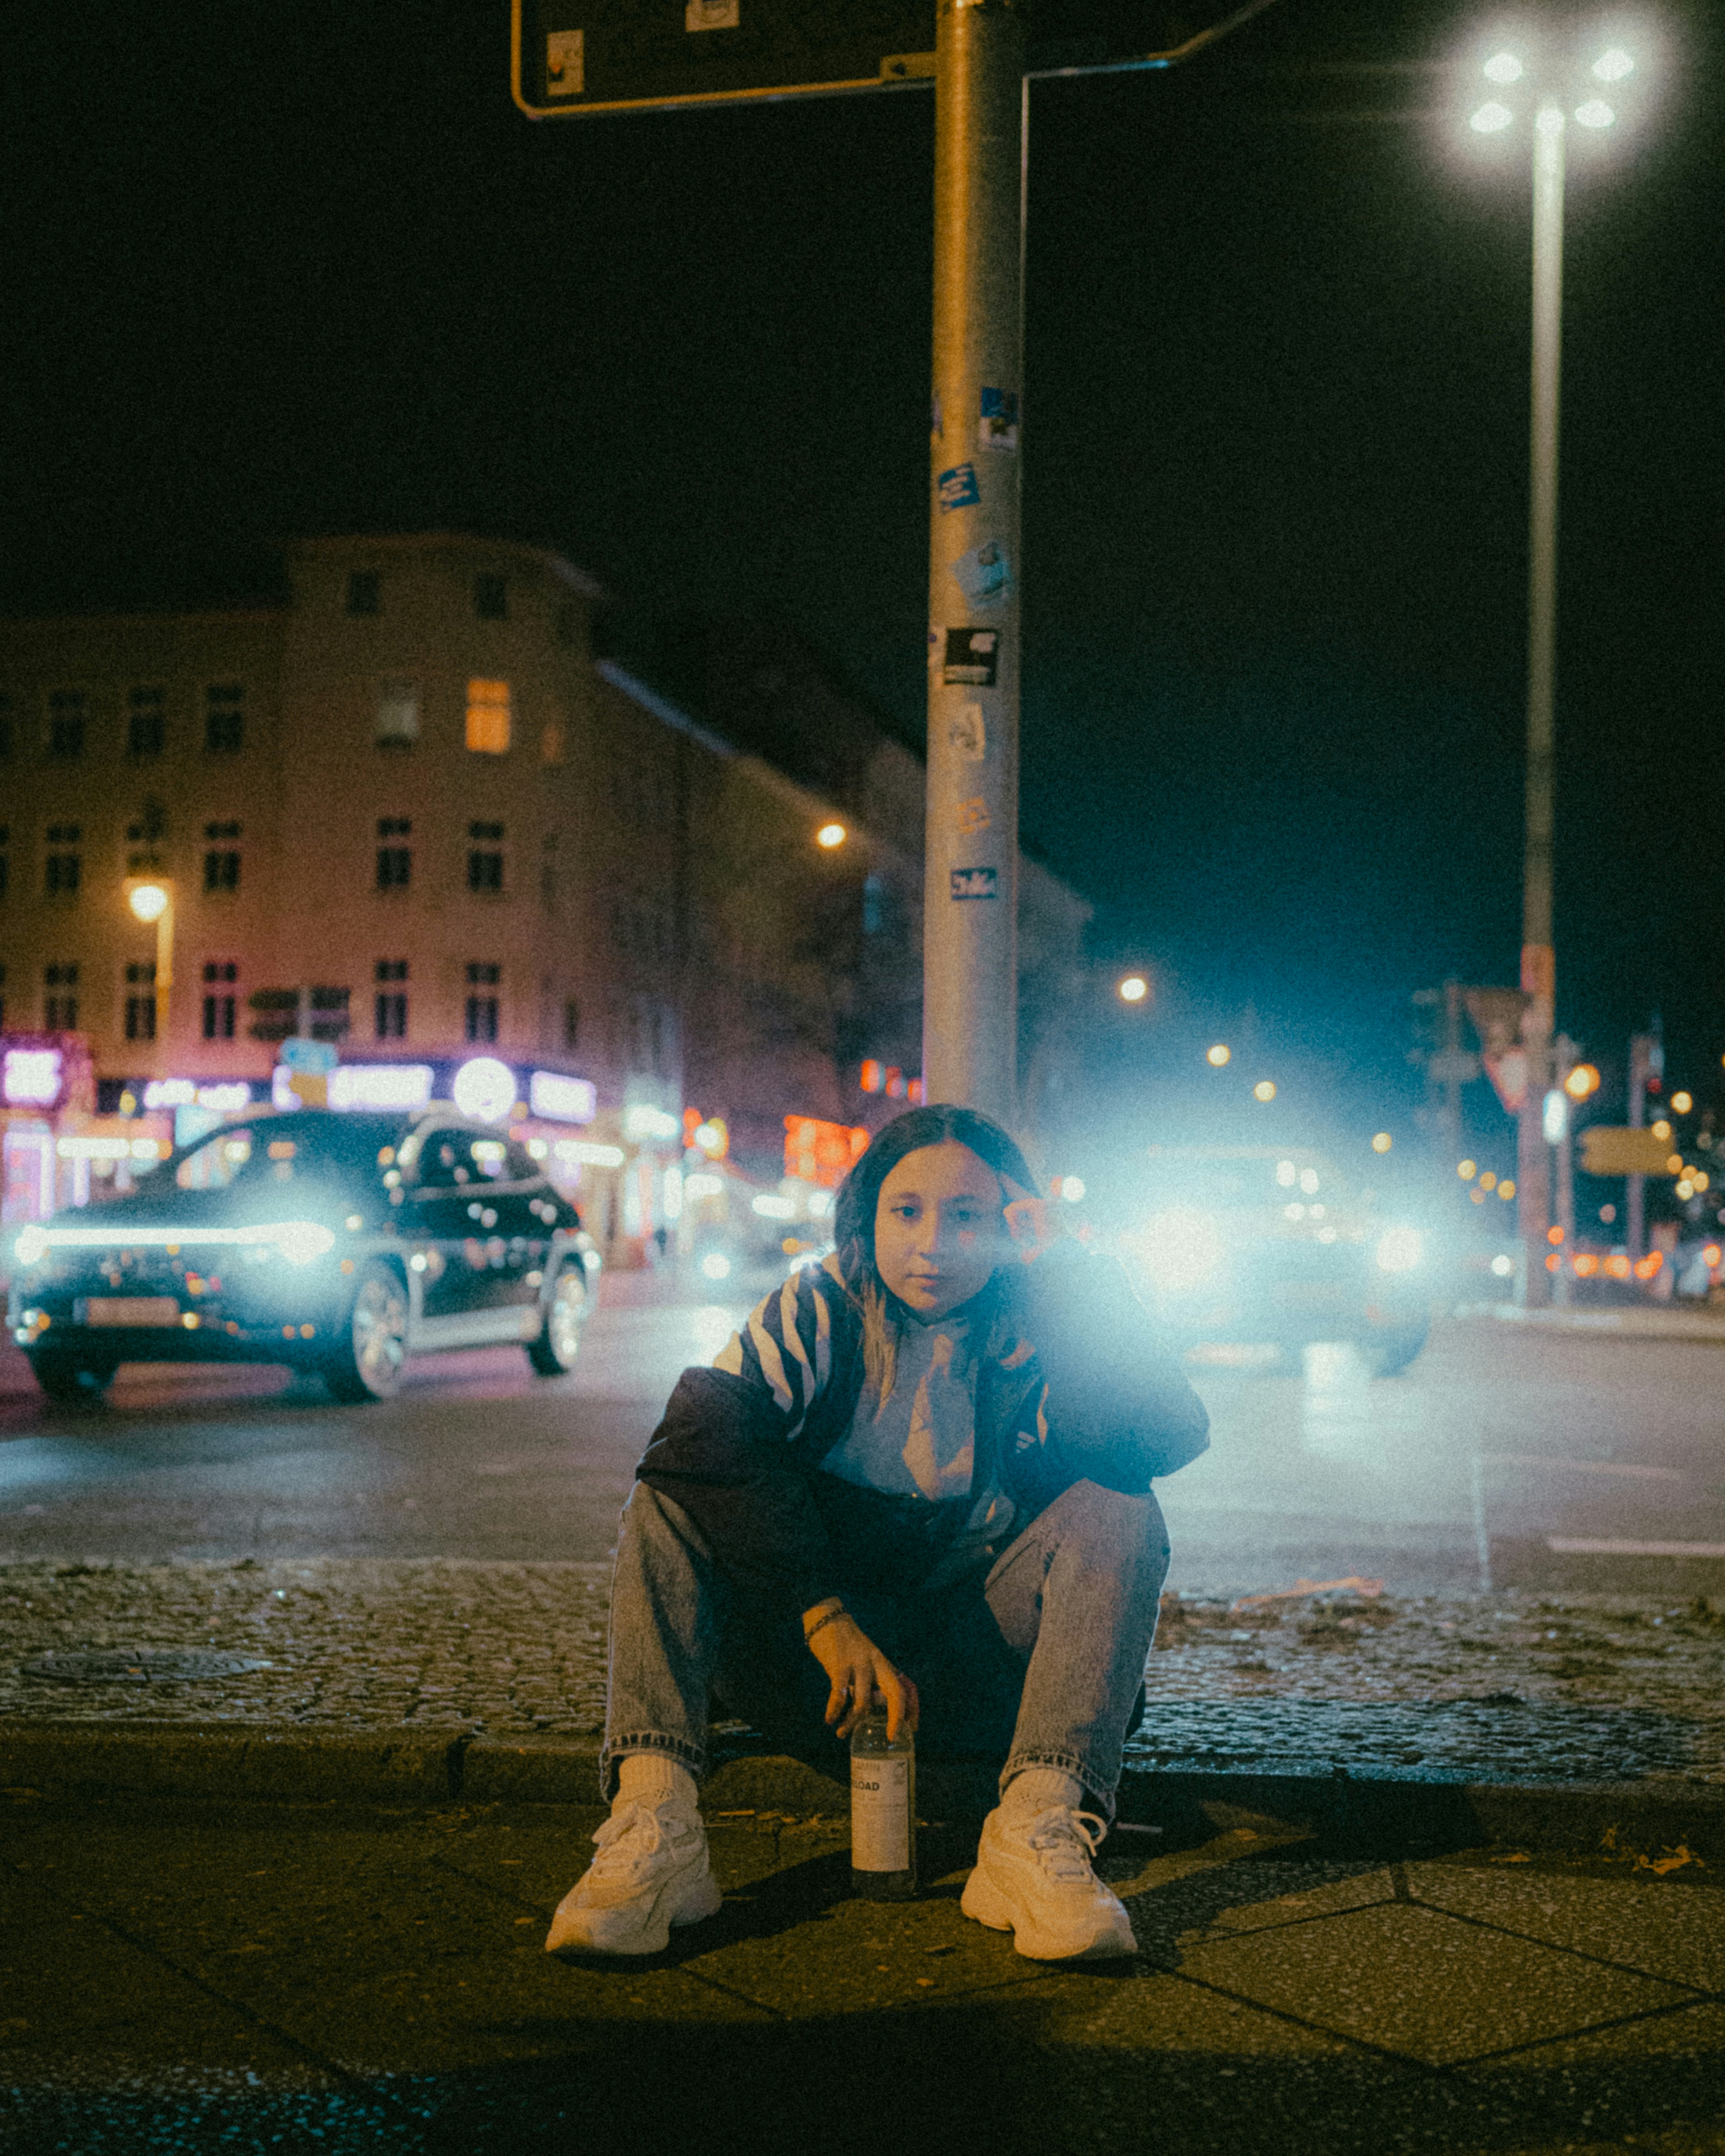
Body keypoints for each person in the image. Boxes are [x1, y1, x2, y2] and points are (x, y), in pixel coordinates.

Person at [547, 1105, 1209, 1962]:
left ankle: (1035, 1829)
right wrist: (820, 1612)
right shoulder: (821, 1307)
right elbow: (699, 1435)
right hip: (815, 1675)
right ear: (867, 1217)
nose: (933, 1244)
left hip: (972, 1665)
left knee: (1120, 1501)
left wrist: (1070, 1278)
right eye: (906, 1211)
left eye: (966, 1216)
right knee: (666, 1497)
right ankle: (655, 1825)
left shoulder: (1035, 1329)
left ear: (1011, 1223)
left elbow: (1162, 1437)